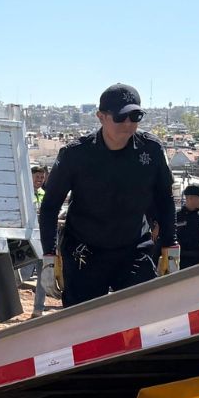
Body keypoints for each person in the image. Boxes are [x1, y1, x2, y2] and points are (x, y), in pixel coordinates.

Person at [37, 83, 176, 305]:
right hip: (85, 250)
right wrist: (49, 256)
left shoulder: (151, 150)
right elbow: (50, 206)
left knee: (144, 313)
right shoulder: (75, 154)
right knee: (83, 319)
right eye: (120, 117)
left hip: (132, 247)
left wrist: (171, 245)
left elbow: (165, 199)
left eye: (135, 116)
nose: (128, 123)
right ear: (101, 117)